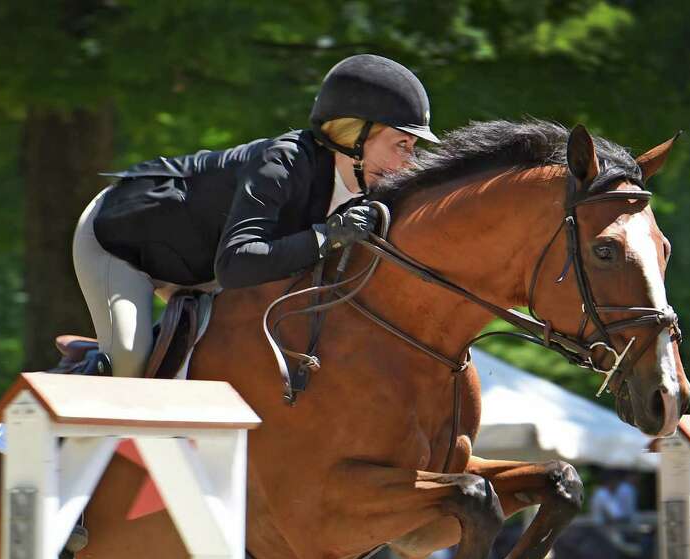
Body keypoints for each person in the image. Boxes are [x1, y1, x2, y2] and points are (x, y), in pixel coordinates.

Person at [72, 53, 438, 377]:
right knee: (129, 361)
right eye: (401, 144)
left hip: (199, 265)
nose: (407, 163)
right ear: (354, 136)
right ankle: (62, 398)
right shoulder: (281, 164)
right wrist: (326, 237)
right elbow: (236, 265)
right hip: (123, 236)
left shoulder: (366, 192)